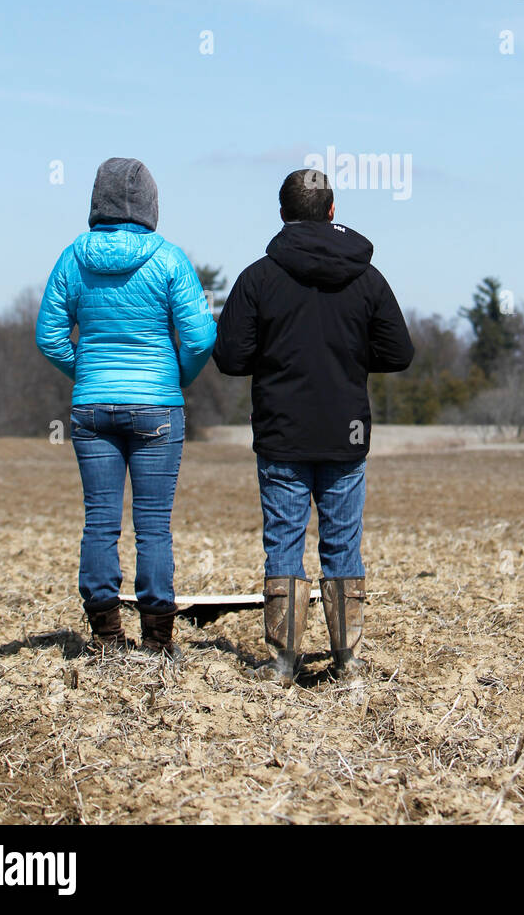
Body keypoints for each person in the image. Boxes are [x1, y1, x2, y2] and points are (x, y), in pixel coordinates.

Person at [213, 168, 414, 686]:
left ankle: (283, 662)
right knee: (343, 543)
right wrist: (349, 355)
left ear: (283, 214)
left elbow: (231, 358)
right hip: (345, 432)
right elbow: (399, 353)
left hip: (281, 431)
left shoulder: (258, 278)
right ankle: (347, 662)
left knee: (283, 541)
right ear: (331, 211)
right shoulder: (367, 278)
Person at [35, 158, 216, 657]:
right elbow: (201, 338)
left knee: (100, 520)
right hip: (157, 407)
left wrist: (87, 374)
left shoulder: (73, 257)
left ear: (97, 203)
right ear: (152, 205)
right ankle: (159, 641)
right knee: (154, 523)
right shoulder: (171, 258)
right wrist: (173, 379)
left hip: (92, 409)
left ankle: (107, 636)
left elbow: (49, 338)